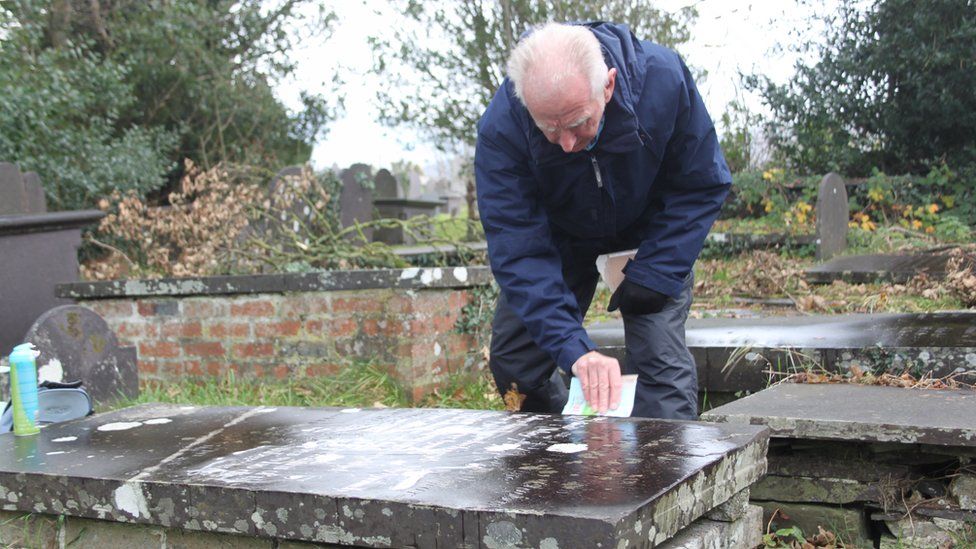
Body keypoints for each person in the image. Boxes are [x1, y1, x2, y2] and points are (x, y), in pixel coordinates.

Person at [474, 22, 731, 419]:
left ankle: (668, 457)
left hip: (649, 232)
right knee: (518, 367)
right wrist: (574, 349)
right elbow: (517, 246)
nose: (566, 144)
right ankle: (561, 450)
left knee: (659, 361)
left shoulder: (663, 81)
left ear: (608, 86)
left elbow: (701, 183)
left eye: (578, 122)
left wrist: (658, 270)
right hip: (560, 236)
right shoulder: (502, 127)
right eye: (549, 129)